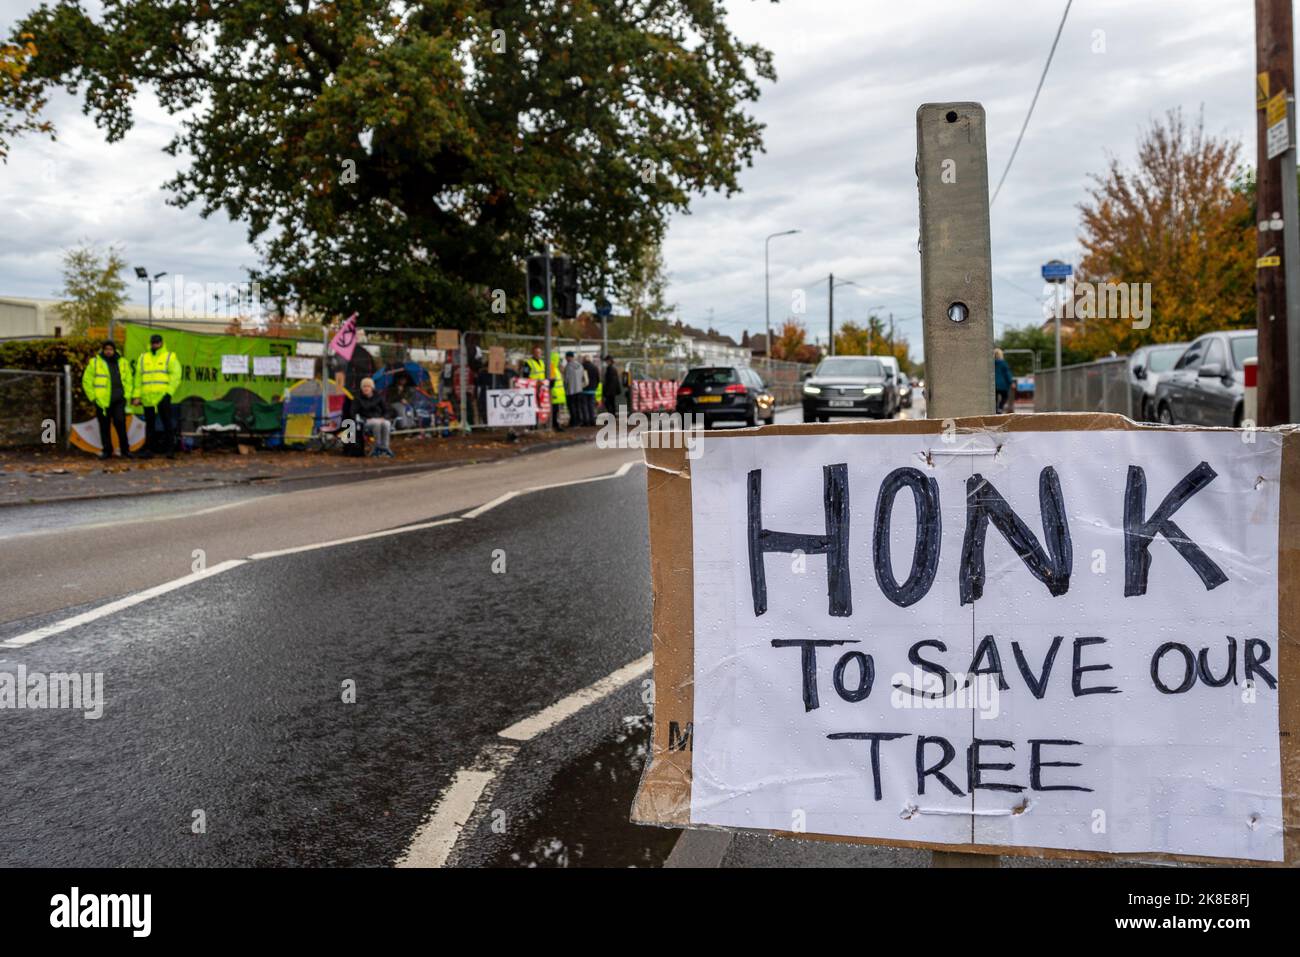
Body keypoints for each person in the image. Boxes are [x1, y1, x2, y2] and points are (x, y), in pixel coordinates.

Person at [133, 333, 182, 458]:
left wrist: (168, 393)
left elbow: (176, 376)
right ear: (150, 343)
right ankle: (149, 450)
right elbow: (138, 378)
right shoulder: (143, 358)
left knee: (167, 423)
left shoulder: (169, 357)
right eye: (153, 342)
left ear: (161, 342)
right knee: (149, 424)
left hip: (162, 396)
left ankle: (170, 450)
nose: (155, 344)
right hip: (148, 397)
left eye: (157, 342)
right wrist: (136, 396)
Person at [83, 340, 134, 460]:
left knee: (120, 424)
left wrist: (126, 395)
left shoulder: (123, 362)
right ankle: (107, 450)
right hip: (102, 401)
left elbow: (129, 380)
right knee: (104, 426)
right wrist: (93, 397)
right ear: (103, 350)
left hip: (119, 399)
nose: (108, 351)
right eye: (106, 349)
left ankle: (125, 450)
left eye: (110, 349)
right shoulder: (94, 363)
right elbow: (87, 381)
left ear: (114, 350)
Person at [355, 376, 395, 457]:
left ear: (372, 388)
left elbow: (387, 410)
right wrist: (362, 419)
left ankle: (385, 447)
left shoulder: (379, 397)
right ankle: (377, 447)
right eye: (364, 386)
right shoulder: (358, 399)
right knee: (376, 423)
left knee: (386, 423)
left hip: (379, 419)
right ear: (361, 388)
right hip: (366, 421)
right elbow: (354, 412)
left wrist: (384, 417)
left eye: (368, 386)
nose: (366, 388)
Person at [563, 351, 586, 427]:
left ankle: (574, 422)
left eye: (566, 357)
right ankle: (580, 421)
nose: (566, 358)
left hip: (570, 391)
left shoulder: (568, 367)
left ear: (569, 357)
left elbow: (566, 379)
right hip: (579, 390)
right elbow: (583, 377)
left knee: (572, 407)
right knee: (578, 406)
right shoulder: (580, 365)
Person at [581, 354, 600, 425]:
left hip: (584, 389)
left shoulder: (582, 367)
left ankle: (586, 421)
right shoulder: (595, 367)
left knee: (584, 406)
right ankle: (592, 420)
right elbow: (598, 379)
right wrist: (595, 387)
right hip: (592, 390)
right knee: (591, 406)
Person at [994, 348, 1014, 414]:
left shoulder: (991, 364)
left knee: (995, 398)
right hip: (1003, 385)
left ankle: (996, 409)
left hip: (994, 385)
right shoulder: (1003, 363)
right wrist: (1011, 382)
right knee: (1005, 396)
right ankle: (1000, 408)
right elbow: (1007, 374)